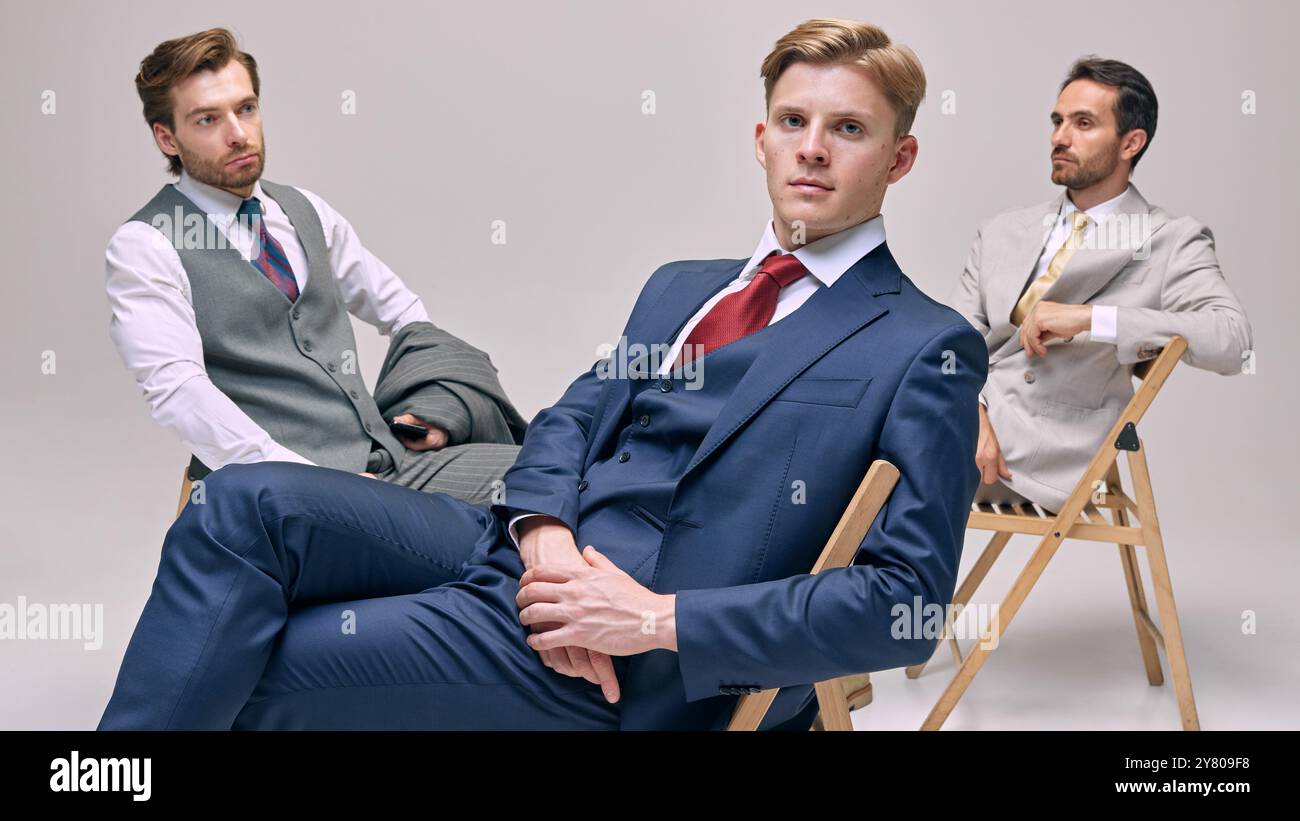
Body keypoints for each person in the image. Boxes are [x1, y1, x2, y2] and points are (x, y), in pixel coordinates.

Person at [98, 18, 986, 731]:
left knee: (242, 660)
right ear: (761, 139)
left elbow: (904, 604)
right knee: (241, 501)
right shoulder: (683, 287)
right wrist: (543, 535)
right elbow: (567, 418)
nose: (814, 150)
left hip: (629, 655)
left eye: (850, 129)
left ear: (898, 158)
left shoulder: (921, 343)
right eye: (795, 123)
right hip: (513, 552)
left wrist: (651, 620)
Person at [105, 28, 524, 506]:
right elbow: (178, 392)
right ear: (167, 138)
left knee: (554, 471)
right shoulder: (145, 246)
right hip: (282, 496)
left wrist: (430, 408)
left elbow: (404, 312)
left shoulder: (305, 211)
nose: (238, 133)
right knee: (521, 509)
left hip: (390, 468)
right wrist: (315, 487)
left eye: (246, 108)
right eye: (207, 119)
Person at [951, 57, 1252, 513]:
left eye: (1083, 123)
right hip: (966, 427)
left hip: (1046, 451)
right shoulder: (1002, 231)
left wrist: (1094, 319)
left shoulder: (1168, 239)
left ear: (1131, 142)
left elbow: (1232, 342)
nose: (1059, 137)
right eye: (1058, 121)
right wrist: (967, 413)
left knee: (868, 458)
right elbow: (952, 342)